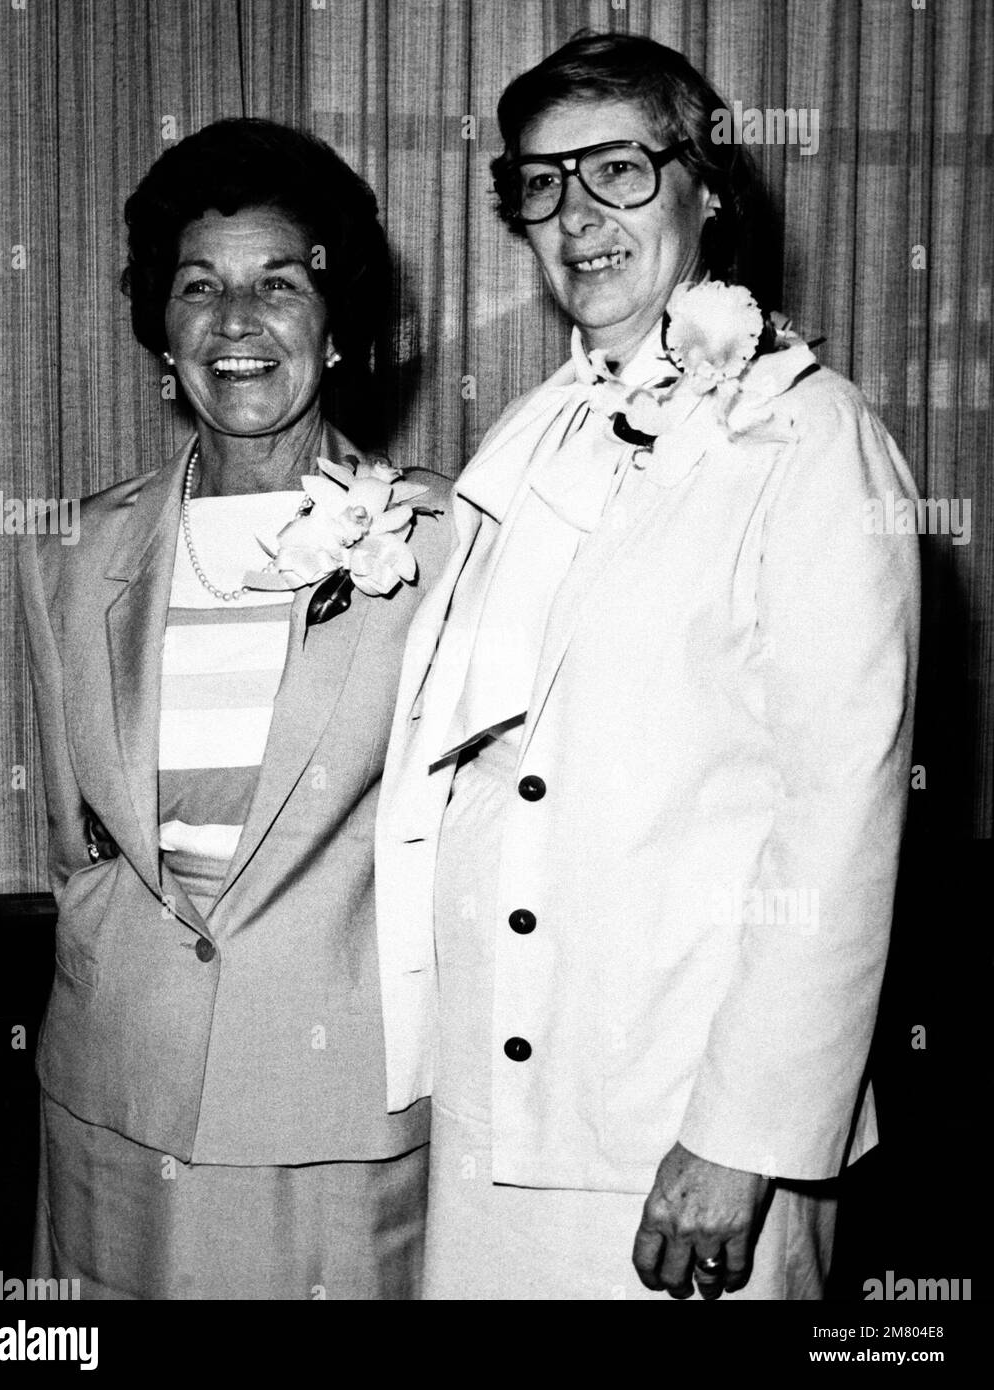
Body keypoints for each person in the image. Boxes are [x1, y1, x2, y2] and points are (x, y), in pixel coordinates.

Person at [375, 34, 920, 1300]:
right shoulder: (529, 431)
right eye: (541, 182)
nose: (578, 216)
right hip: (495, 1115)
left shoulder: (811, 435)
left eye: (618, 169)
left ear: (705, 186)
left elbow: (845, 809)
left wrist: (742, 1137)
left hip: (679, 1131)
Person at [18, 117, 449, 1299]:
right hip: (115, 1095)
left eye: (279, 283)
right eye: (199, 286)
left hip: (337, 1115)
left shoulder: (446, 544)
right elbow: (81, 843)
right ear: (161, 323)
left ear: (339, 316)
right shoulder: (73, 551)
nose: (236, 322)